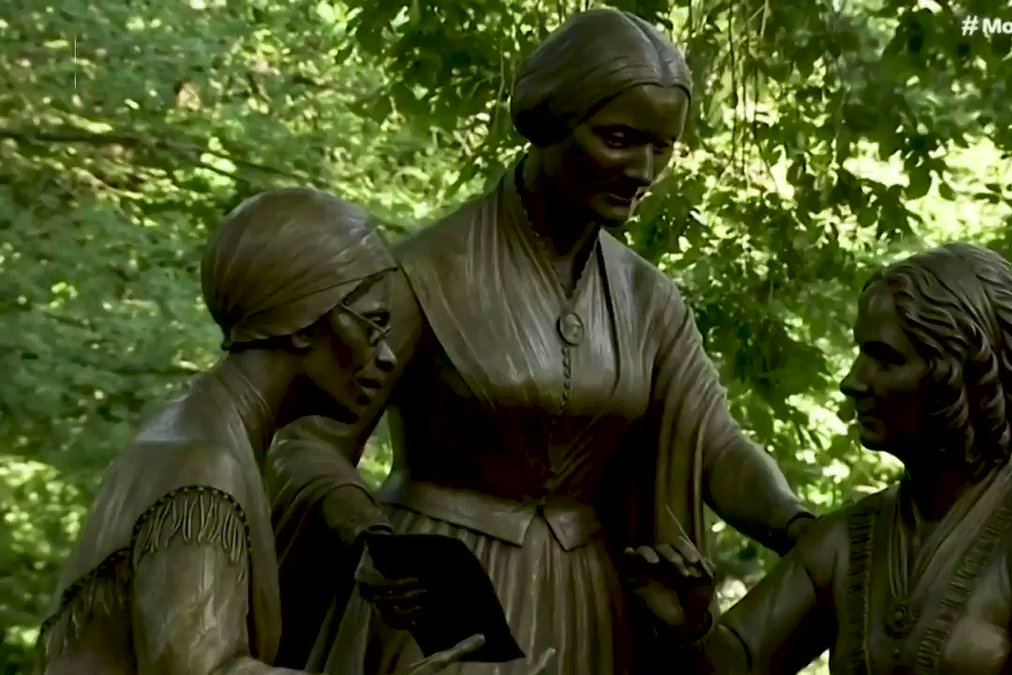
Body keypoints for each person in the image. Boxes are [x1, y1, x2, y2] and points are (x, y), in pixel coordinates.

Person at [263, 7, 815, 675]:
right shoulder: (424, 273)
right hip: (437, 601)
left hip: (593, 605)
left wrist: (797, 527)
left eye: (661, 147)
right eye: (618, 139)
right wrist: (371, 537)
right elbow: (311, 441)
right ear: (551, 118)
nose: (642, 169)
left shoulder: (650, 300)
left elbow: (716, 446)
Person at [34, 189, 495, 674]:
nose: (387, 355)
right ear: (303, 322)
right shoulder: (204, 471)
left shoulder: (193, 429)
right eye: (373, 324)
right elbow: (203, 671)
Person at [632, 243, 1012, 674]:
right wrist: (689, 627)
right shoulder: (847, 541)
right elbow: (738, 663)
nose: (853, 381)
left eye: (885, 359)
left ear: (961, 376)